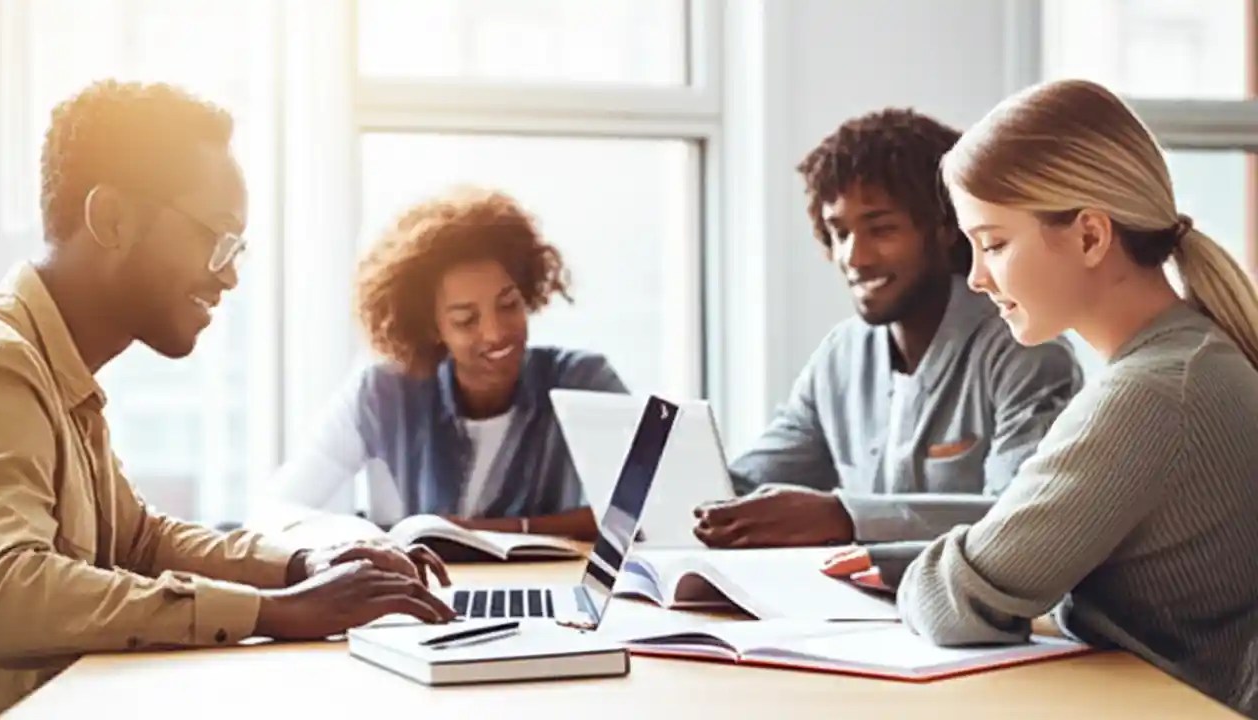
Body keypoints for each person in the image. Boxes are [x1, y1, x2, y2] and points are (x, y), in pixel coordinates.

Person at [0, 80, 456, 720]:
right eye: (218, 237)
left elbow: (140, 543)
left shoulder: (60, 373)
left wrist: (303, 566)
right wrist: (277, 613)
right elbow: (4, 595)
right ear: (113, 219)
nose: (230, 272)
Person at [827, 79, 1258, 717]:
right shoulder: (1185, 358)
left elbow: (954, 605)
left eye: (994, 243)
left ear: (1089, 237)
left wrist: (944, 572)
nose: (976, 277)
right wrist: (921, 562)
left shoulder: (1154, 393)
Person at [694, 109, 1082, 548]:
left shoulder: (1025, 351)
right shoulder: (841, 355)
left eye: (881, 229)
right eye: (839, 233)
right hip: (854, 611)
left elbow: (1023, 520)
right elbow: (744, 485)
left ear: (945, 228)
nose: (854, 257)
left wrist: (847, 518)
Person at [270, 188, 626, 541]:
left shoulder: (582, 380)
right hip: (422, 592)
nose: (495, 333)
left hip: (546, 588)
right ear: (431, 326)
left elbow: (642, 511)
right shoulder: (384, 393)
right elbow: (279, 512)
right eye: (466, 319)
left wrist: (495, 531)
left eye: (508, 305)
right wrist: (374, 536)